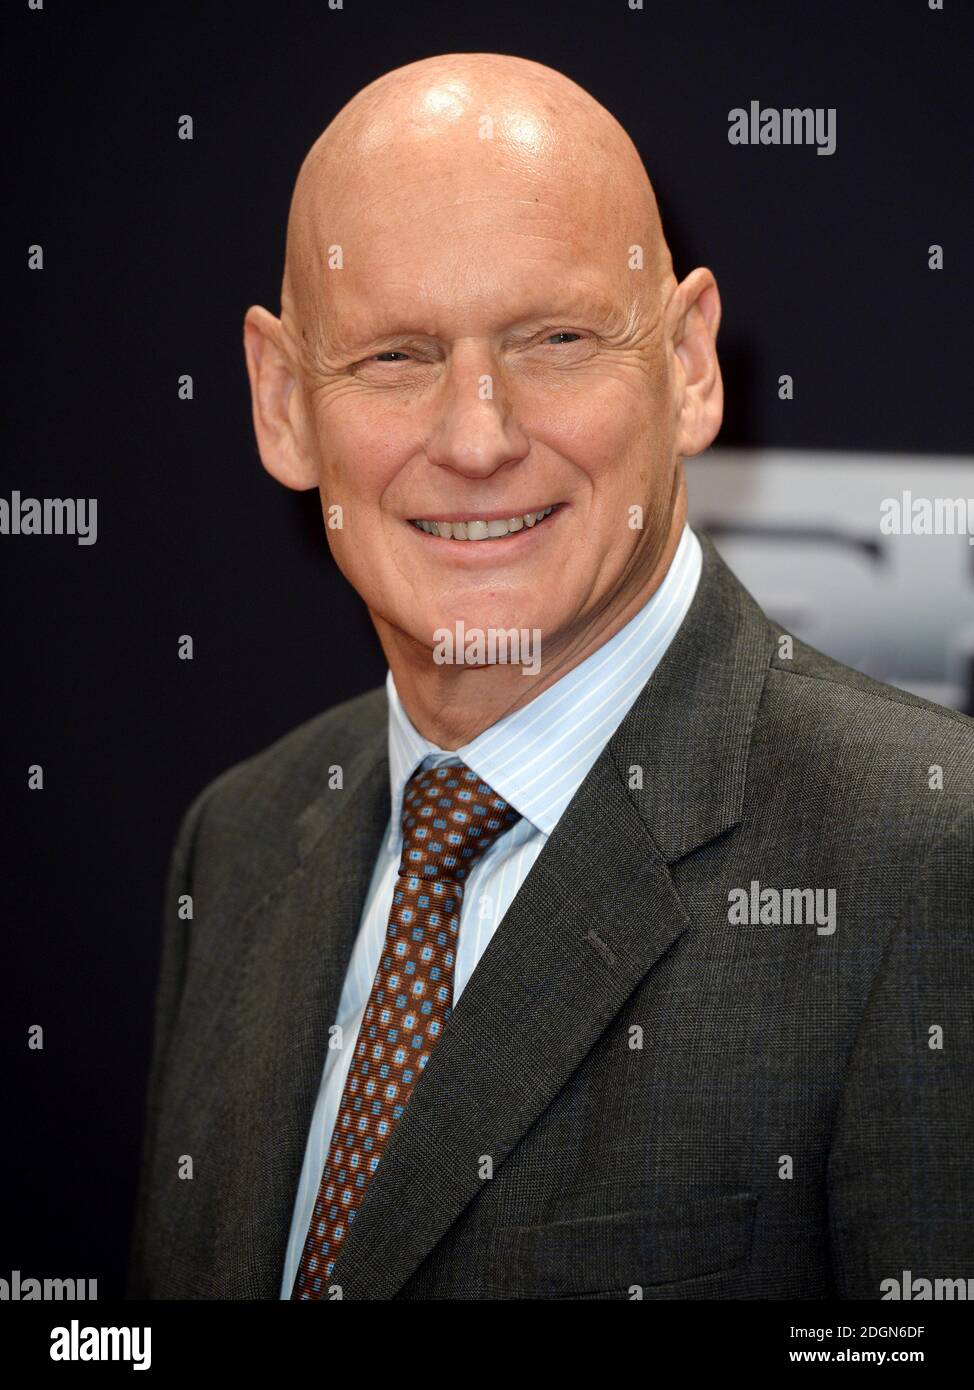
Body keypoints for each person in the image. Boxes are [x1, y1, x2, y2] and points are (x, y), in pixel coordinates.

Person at [126, 52, 974, 1301]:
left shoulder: (925, 853)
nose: (478, 438)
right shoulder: (242, 839)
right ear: (281, 403)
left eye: (556, 339)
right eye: (395, 356)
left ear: (687, 362)